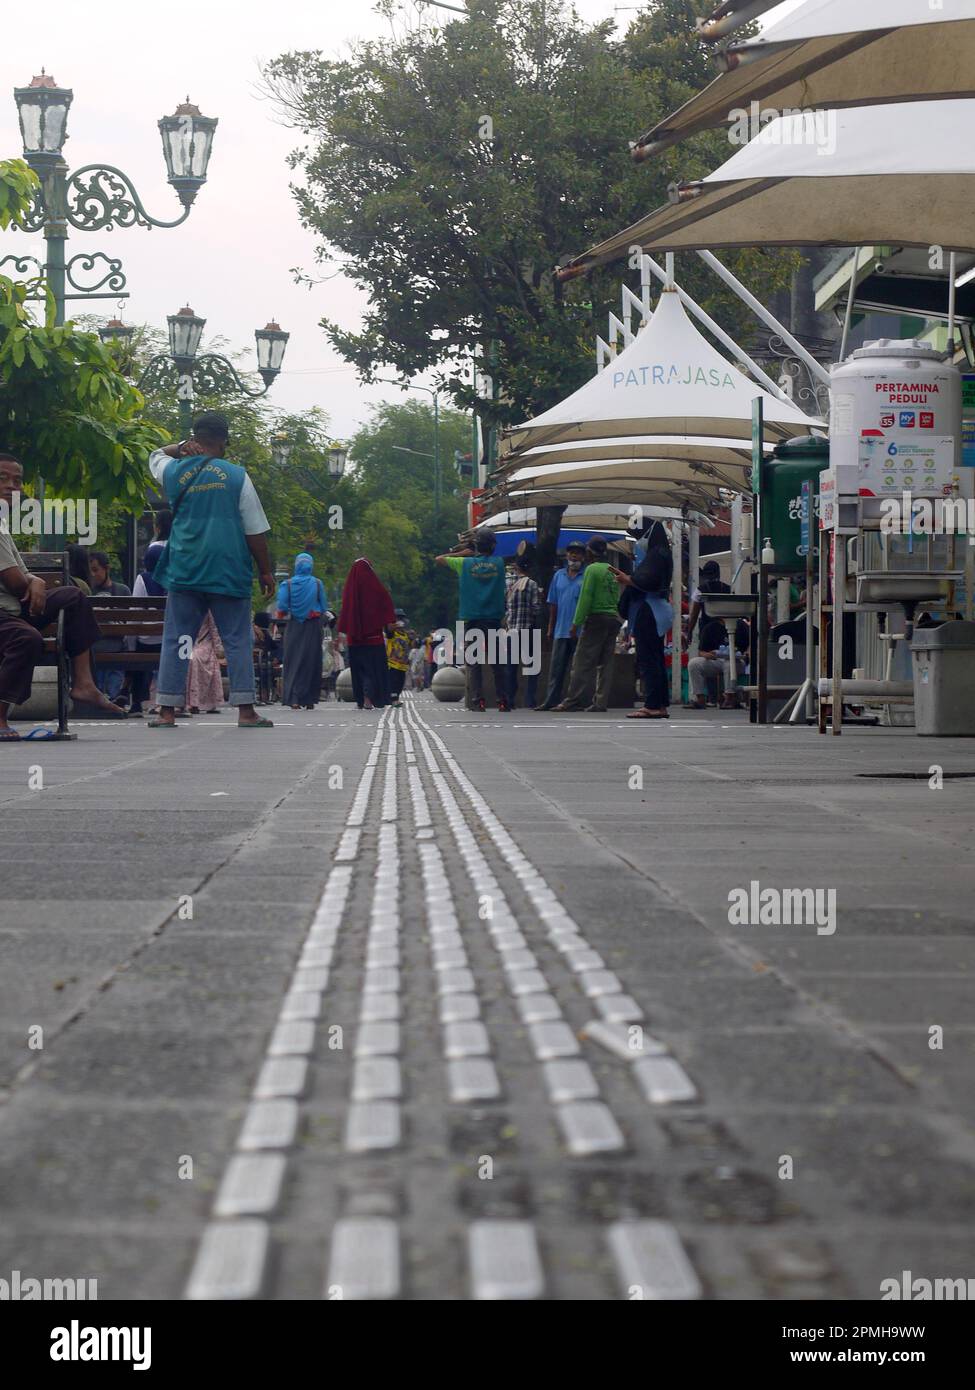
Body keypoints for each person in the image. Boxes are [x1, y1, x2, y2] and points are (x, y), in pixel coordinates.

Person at [146, 410, 275, 729]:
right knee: (237, 639)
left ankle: (167, 711)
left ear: (195, 437)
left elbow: (154, 455)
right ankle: (246, 711)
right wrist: (265, 570)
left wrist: (181, 447)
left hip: (186, 568)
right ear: (225, 441)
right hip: (227, 569)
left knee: (178, 638)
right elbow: (254, 529)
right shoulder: (236, 476)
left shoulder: (173, 471)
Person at [0, 452, 126, 739]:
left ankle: (83, 683)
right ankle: (0, 717)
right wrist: (33, 583)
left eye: (17, 481)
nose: (11, 486)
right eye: (2, 478)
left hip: (13, 608)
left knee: (72, 595)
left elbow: (22, 574)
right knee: (25, 638)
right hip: (5, 613)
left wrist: (36, 581)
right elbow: (16, 582)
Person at [435, 529, 509, 712]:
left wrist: (462, 553)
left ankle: (477, 701)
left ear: (476, 545)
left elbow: (439, 559)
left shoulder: (464, 563)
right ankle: (503, 701)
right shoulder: (499, 564)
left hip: (471, 618)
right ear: (492, 546)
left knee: (473, 663)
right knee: (497, 662)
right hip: (493, 618)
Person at [612, 520, 673, 720]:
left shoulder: (655, 555)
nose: (639, 540)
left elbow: (646, 581)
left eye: (641, 536)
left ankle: (653, 705)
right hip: (659, 610)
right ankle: (660, 704)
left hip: (650, 610)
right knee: (656, 659)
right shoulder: (662, 553)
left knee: (648, 660)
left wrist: (627, 579)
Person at [552, 535, 621, 713]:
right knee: (605, 663)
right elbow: (617, 595)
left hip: (596, 619)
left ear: (590, 551)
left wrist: (576, 624)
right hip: (613, 618)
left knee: (581, 662)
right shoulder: (612, 570)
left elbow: (585, 599)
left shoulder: (591, 570)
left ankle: (571, 700)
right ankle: (600, 702)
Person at [337, 557, 396, 709]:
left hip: (355, 639)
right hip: (373, 638)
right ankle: (370, 697)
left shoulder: (349, 590)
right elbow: (387, 605)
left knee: (359, 670)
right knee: (372, 670)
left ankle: (361, 698)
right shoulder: (376, 588)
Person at [537, 540, 586, 710]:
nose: (574, 555)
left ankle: (575, 701)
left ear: (583, 556)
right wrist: (550, 628)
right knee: (556, 669)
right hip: (560, 630)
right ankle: (551, 700)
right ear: (566, 555)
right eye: (571, 552)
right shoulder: (558, 575)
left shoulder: (587, 575)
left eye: (578, 552)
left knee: (578, 670)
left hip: (580, 630)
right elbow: (553, 604)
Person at [276, 552, 327, 709]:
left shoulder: (287, 584)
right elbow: (324, 607)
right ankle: (309, 698)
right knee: (311, 660)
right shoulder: (318, 584)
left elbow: (282, 607)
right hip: (313, 626)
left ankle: (294, 698)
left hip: (294, 626)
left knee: (293, 660)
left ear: (296, 566)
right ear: (310, 566)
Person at [88, 549, 131, 702]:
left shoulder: (122, 590)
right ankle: (111, 697)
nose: (93, 575)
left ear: (107, 569)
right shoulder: (88, 590)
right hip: (99, 644)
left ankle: (109, 696)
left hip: (110, 643)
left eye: (95, 570)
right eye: (90, 571)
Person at [503, 554, 543, 709]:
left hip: (512, 631)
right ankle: (529, 700)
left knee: (511, 667)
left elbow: (505, 606)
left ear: (517, 567)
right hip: (528, 630)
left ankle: (510, 700)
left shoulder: (508, 583)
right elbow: (536, 609)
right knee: (532, 667)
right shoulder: (532, 584)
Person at [687, 614, 750, 710]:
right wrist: (707, 655)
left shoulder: (742, 625)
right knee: (694, 663)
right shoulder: (710, 627)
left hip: (738, 660)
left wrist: (747, 653)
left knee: (729, 665)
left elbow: (751, 644)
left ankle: (730, 697)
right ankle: (700, 698)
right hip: (716, 660)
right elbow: (701, 651)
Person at [186, 611, 225, 713]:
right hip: (187, 642)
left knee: (193, 657)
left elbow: (214, 629)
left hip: (203, 642)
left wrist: (218, 649)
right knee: (189, 657)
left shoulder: (208, 610)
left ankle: (198, 702)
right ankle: (189, 701)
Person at [386, 610, 410, 704]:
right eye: (398, 618)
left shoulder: (405, 634)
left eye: (401, 618)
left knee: (400, 682)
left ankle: (396, 698)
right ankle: (393, 699)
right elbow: (388, 631)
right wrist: (393, 624)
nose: (400, 620)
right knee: (393, 682)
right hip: (393, 663)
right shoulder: (391, 633)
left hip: (403, 664)